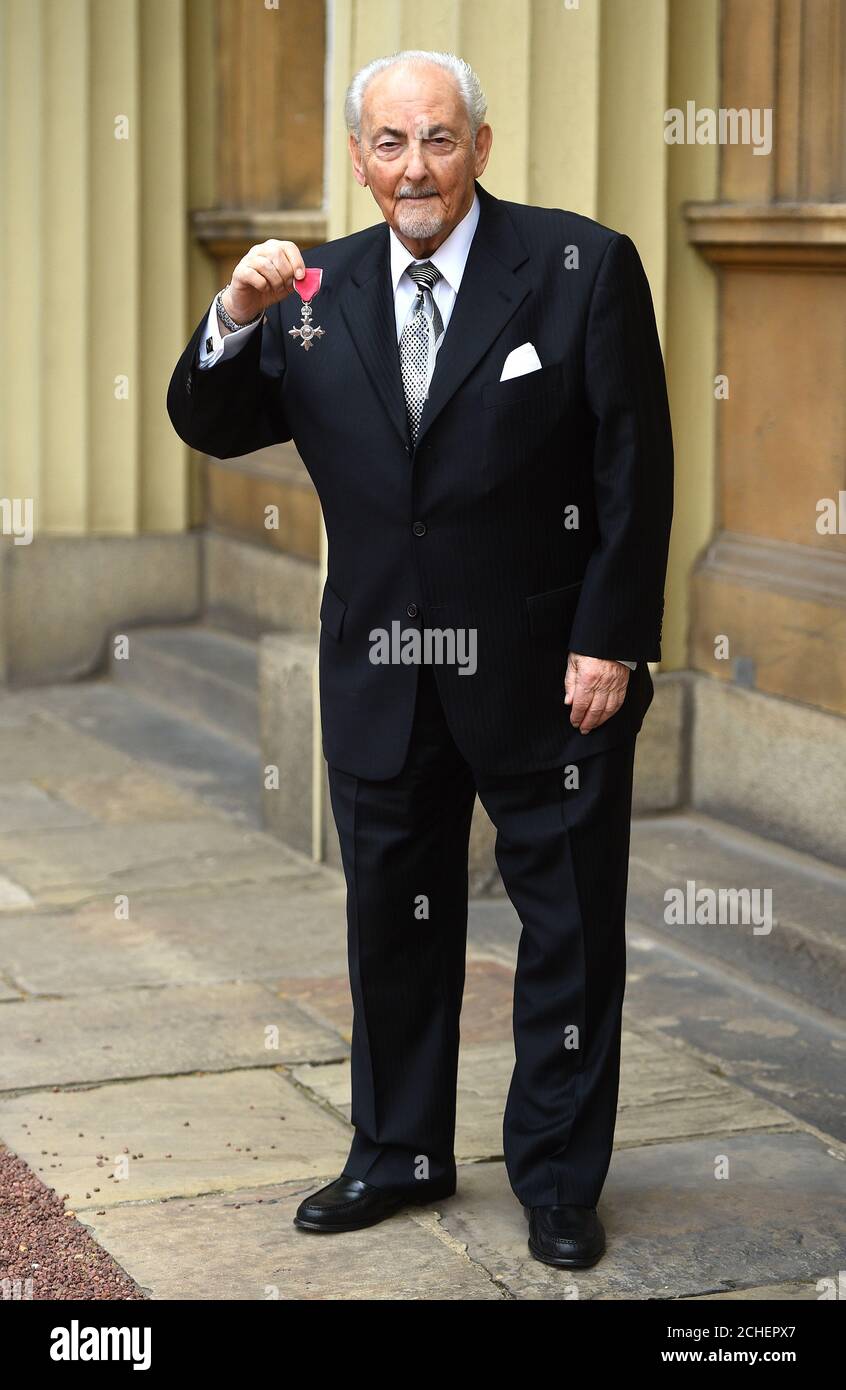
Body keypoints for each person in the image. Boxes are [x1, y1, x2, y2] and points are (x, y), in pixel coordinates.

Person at [167, 48, 673, 1270]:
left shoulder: (577, 266)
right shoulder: (311, 293)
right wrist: (235, 316)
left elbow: (633, 469)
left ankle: (556, 1176)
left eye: (439, 139)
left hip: (553, 670)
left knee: (567, 929)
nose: (415, 167)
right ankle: (397, 1151)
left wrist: (610, 636)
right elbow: (209, 419)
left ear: (481, 148)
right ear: (359, 159)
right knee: (392, 920)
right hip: (384, 665)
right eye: (389, 143)